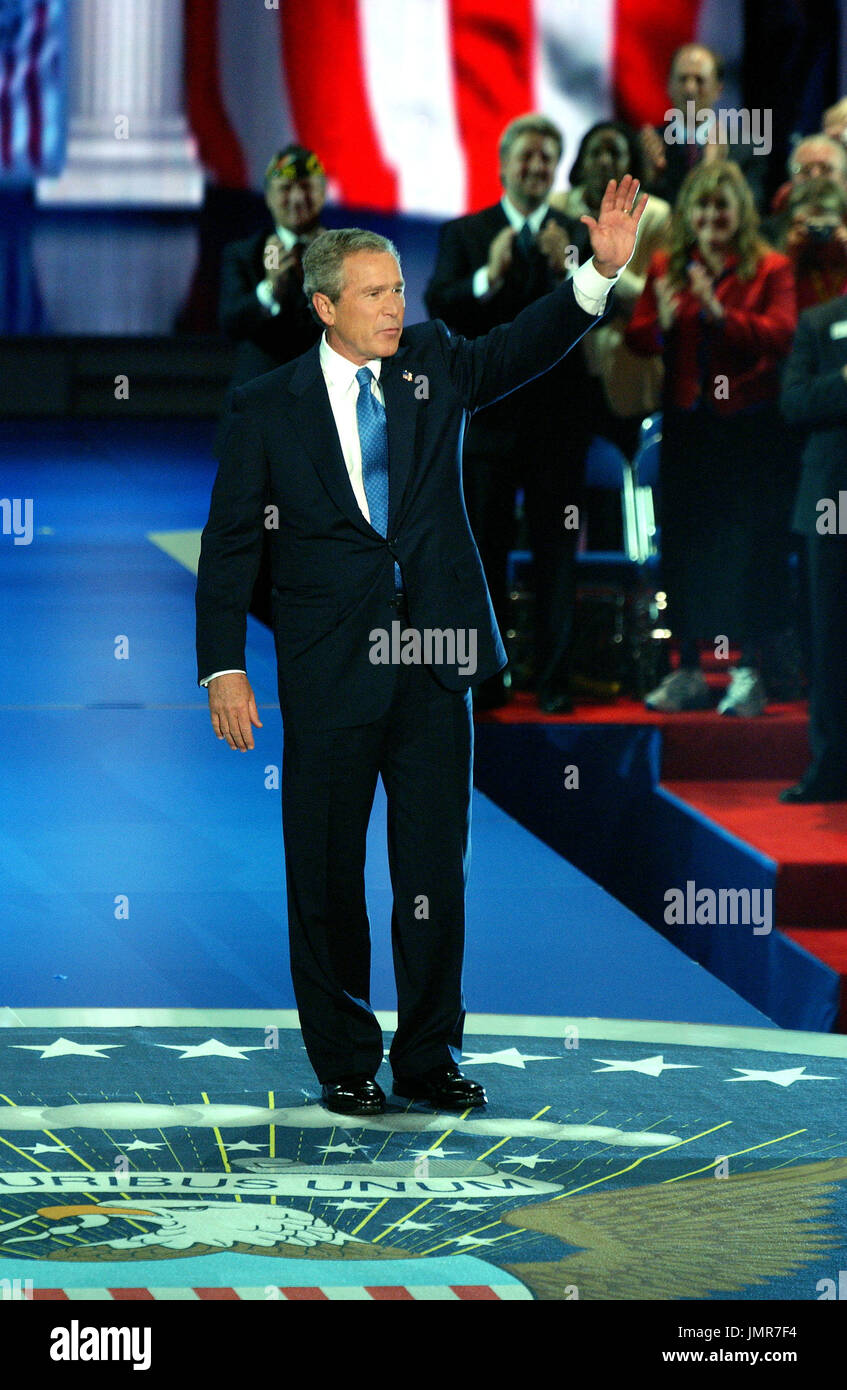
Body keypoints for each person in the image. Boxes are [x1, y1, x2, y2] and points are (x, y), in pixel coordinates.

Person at [196, 182, 645, 1116]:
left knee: (434, 876)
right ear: (324, 306)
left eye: (399, 288)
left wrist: (597, 273)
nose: (397, 307)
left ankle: (428, 1058)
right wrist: (224, 663)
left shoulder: (434, 361)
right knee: (323, 874)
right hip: (327, 672)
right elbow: (232, 543)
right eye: (374, 294)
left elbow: (523, 344)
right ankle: (345, 1061)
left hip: (436, 660)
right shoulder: (266, 406)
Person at [425, 114, 596, 714]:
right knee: (484, 554)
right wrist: (487, 276)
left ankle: (554, 682)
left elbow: (601, 312)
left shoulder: (578, 233)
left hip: (559, 427)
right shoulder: (466, 234)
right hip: (489, 429)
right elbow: (438, 308)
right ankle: (487, 683)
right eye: (526, 157)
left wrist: (568, 272)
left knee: (557, 555)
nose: (535, 167)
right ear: (502, 165)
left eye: (547, 158)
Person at [625, 160, 797, 715]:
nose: (711, 216)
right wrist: (662, 325)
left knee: (748, 550)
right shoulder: (667, 266)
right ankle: (689, 670)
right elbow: (639, 337)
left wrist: (722, 315)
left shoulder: (769, 267)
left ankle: (748, 671)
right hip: (687, 428)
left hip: (749, 430)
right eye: (701, 206)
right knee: (685, 548)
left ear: (739, 212)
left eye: (721, 205)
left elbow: (783, 336)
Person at [218, 144, 327, 625]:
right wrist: (270, 290)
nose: (296, 196)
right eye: (286, 186)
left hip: (325, 415)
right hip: (259, 421)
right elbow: (231, 321)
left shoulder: (343, 251)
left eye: (306, 185)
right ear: (268, 195)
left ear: (322, 191)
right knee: (251, 531)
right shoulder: (243, 253)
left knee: (317, 526)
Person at [551, 120, 671, 450]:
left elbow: (652, 297)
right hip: (562, 371)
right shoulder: (555, 209)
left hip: (627, 370)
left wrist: (605, 266)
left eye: (615, 152)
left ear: (631, 162)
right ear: (580, 162)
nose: (605, 161)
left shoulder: (656, 215)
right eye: (595, 152)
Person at [779, 292, 847, 801]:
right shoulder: (820, 322)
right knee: (829, 640)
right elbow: (794, 401)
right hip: (831, 503)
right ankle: (828, 767)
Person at [640, 44, 769, 211]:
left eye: (699, 80)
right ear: (669, 85)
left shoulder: (745, 149)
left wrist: (714, 173)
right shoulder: (648, 147)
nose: (690, 88)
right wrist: (652, 181)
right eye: (683, 79)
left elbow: (752, 213)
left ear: (718, 89)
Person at [781, 177, 847, 311]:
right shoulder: (788, 259)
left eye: (826, 222)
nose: (819, 230)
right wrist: (790, 257)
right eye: (812, 224)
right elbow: (780, 305)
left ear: (843, 220)